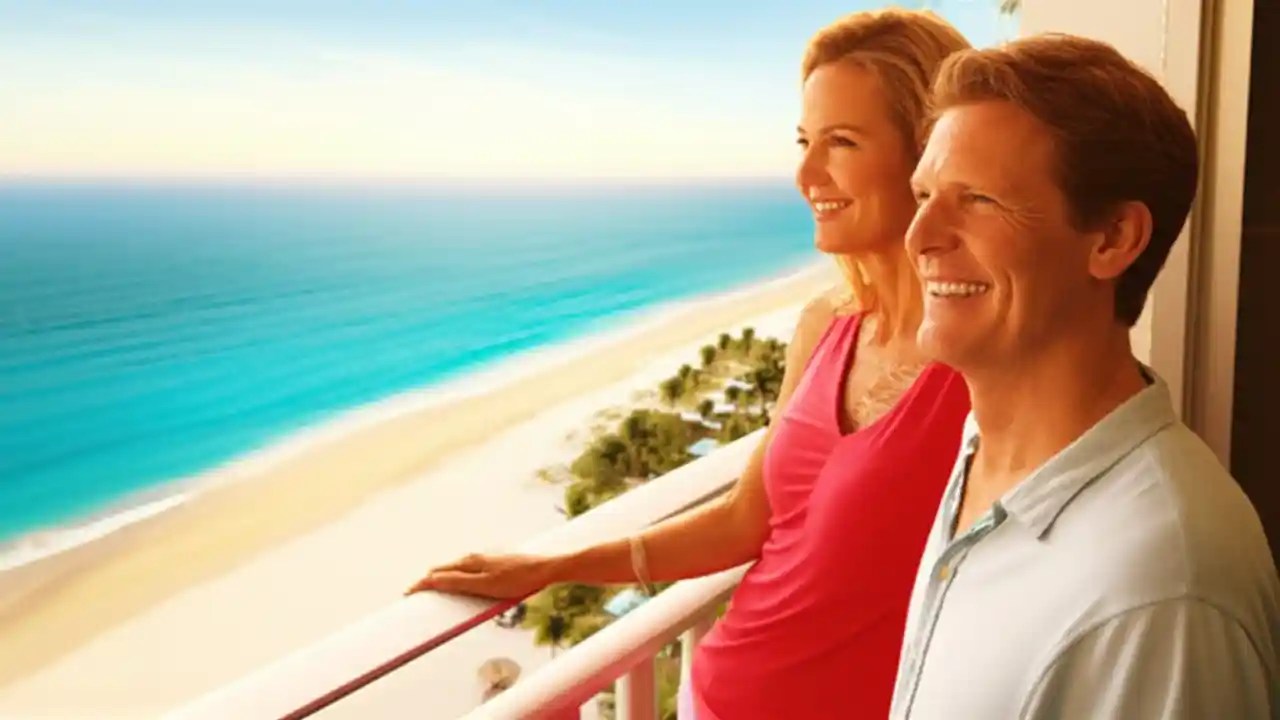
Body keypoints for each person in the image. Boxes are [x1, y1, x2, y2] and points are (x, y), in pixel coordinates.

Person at [407, 10, 973, 719]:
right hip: (714, 694)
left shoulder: (985, 359)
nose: (805, 174)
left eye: (842, 142)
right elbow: (746, 520)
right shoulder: (824, 327)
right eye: (803, 142)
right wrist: (553, 566)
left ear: (928, 155)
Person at [893, 33, 1280, 719]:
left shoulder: (1162, 589)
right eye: (924, 193)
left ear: (1112, 240)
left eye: (978, 199)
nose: (919, 235)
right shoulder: (989, 452)